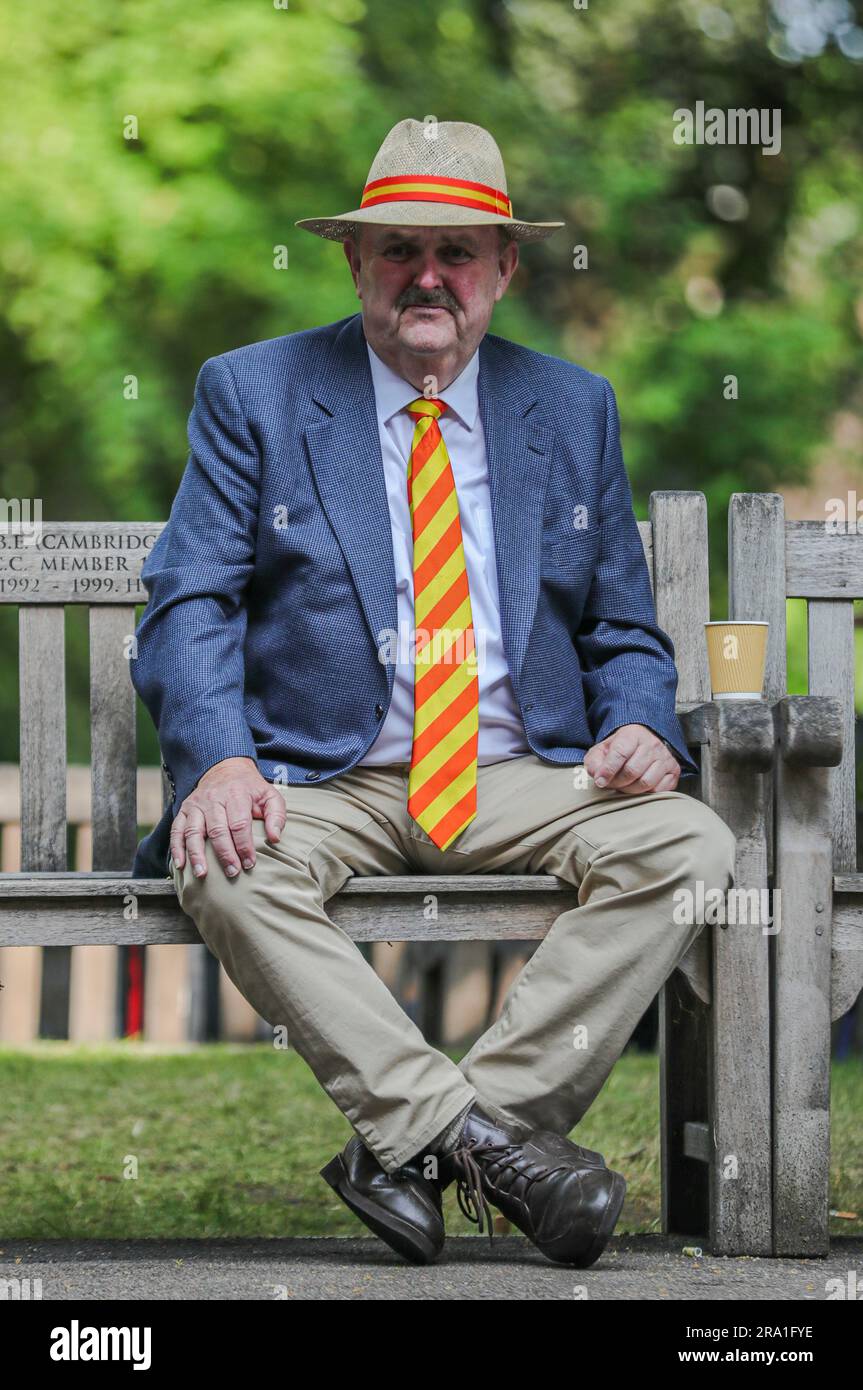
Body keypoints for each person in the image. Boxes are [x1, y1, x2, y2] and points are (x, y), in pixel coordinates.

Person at [130, 118, 736, 1268]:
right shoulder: (254, 392)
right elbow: (189, 601)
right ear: (355, 262)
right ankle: (476, 1141)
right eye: (398, 248)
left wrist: (641, 725)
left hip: (520, 772)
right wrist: (218, 757)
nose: (427, 276)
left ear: (503, 268)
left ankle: (418, 1144)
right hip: (323, 773)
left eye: (457, 252)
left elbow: (619, 625)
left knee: (689, 844)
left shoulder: (569, 406)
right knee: (222, 853)